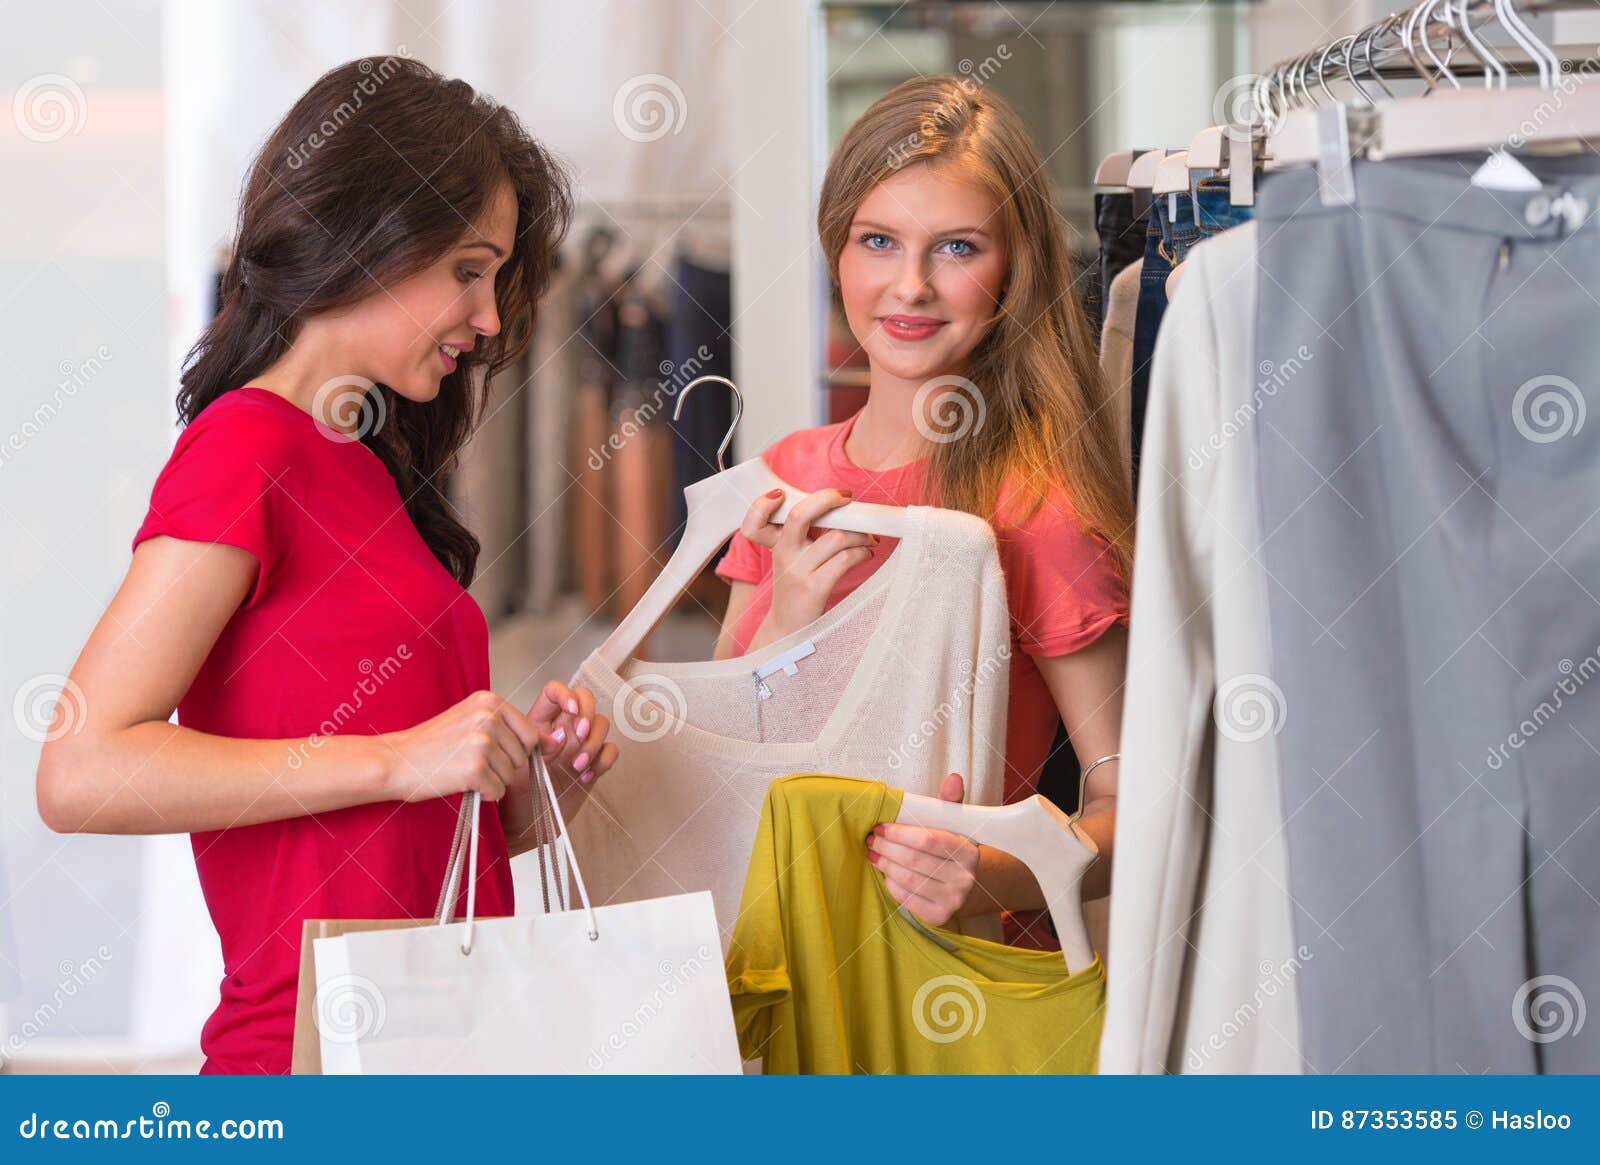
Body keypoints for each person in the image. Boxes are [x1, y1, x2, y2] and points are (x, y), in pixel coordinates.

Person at [34, 58, 616, 1074]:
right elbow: (80, 772)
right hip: (313, 1058)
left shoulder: (371, 469)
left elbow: (393, 841)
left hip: (440, 1043)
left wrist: (527, 786)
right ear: (371, 235)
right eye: (469, 270)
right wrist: (404, 754)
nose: (488, 321)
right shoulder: (245, 448)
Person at [714, 76, 1132, 947]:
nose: (908, 287)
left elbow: (1133, 805)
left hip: (949, 998)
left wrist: (989, 875)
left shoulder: (1033, 502)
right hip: (774, 968)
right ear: (837, 249)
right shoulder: (788, 476)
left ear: (1013, 269)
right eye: (878, 240)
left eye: (955, 248)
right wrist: (789, 614)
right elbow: (717, 749)